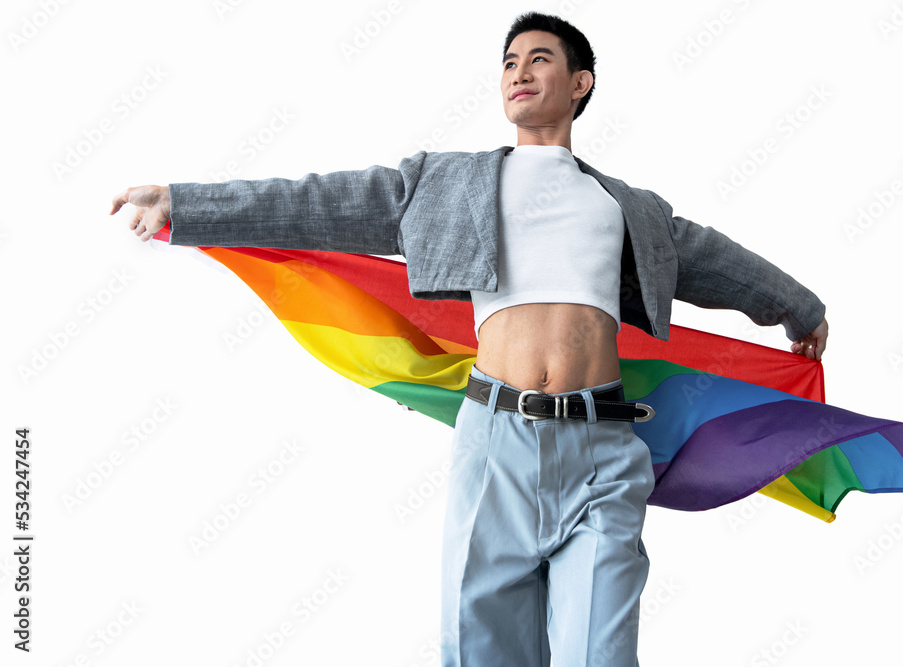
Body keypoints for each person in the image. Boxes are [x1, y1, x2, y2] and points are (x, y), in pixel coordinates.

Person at [110, 11, 828, 666]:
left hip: (604, 451)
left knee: (600, 657)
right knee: (481, 652)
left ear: (580, 83)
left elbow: (723, 265)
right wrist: (186, 205)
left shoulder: (629, 209)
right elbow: (317, 202)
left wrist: (801, 309)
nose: (519, 71)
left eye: (540, 58)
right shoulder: (446, 183)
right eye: (510, 60)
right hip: (497, 443)